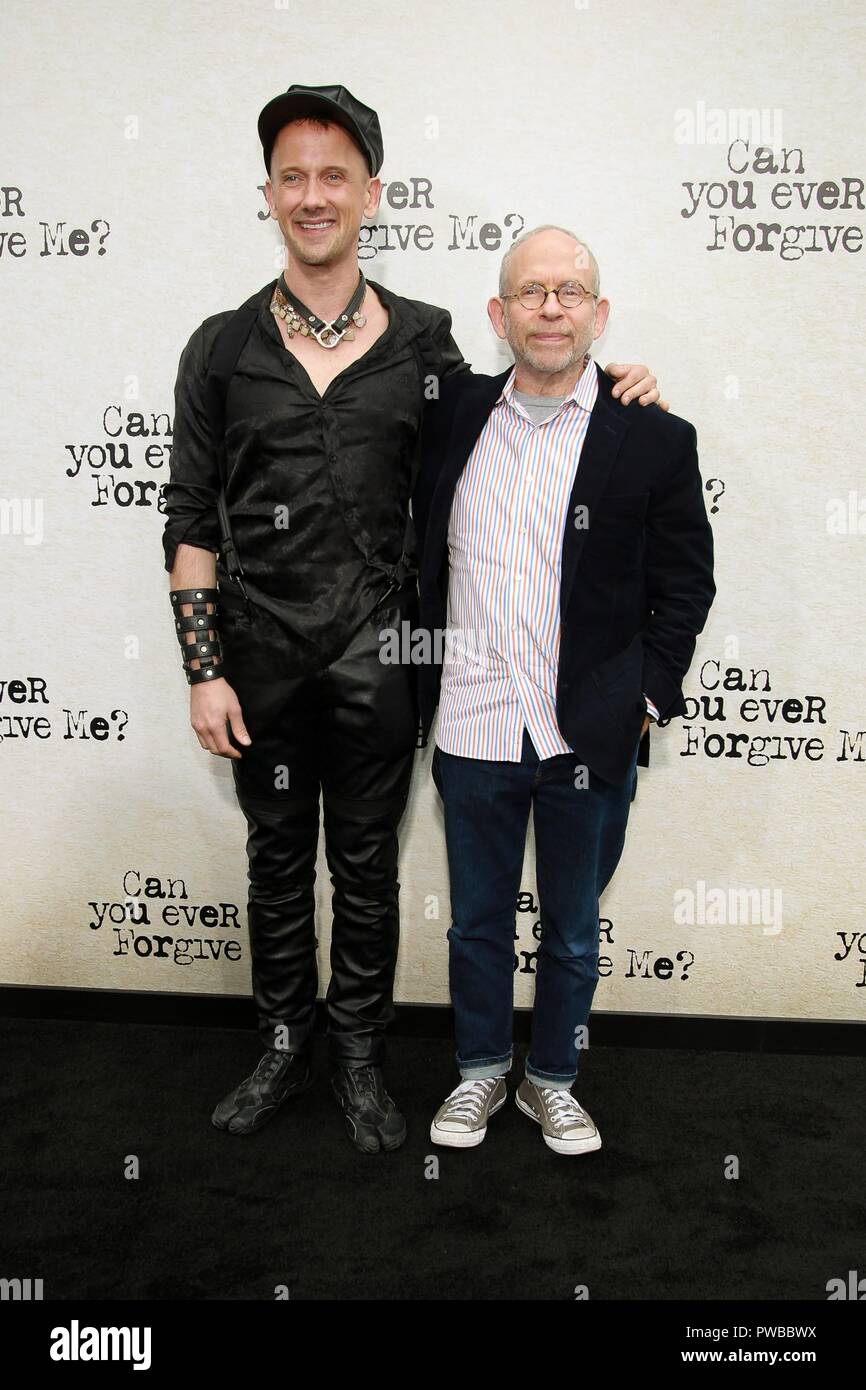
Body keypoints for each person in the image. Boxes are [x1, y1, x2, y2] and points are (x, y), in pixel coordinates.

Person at [162, 85, 665, 1155]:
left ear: (369, 196)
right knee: (274, 859)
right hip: (255, 658)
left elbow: (527, 407)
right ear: (267, 194)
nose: (313, 195)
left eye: (333, 176)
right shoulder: (216, 348)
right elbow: (189, 516)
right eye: (292, 176)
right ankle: (282, 1043)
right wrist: (203, 668)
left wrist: (616, 387)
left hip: (385, 656)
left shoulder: (429, 344)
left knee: (368, 864)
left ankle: (356, 1056)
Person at [413, 225, 716, 1155]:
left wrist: (646, 699)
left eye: (571, 291)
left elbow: (685, 583)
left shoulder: (655, 438)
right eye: (532, 292)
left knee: (574, 933)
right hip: (470, 722)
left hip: (588, 730)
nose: (552, 307)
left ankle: (552, 1079)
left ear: (600, 313)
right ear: (498, 316)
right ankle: (478, 1073)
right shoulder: (447, 414)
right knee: (474, 925)